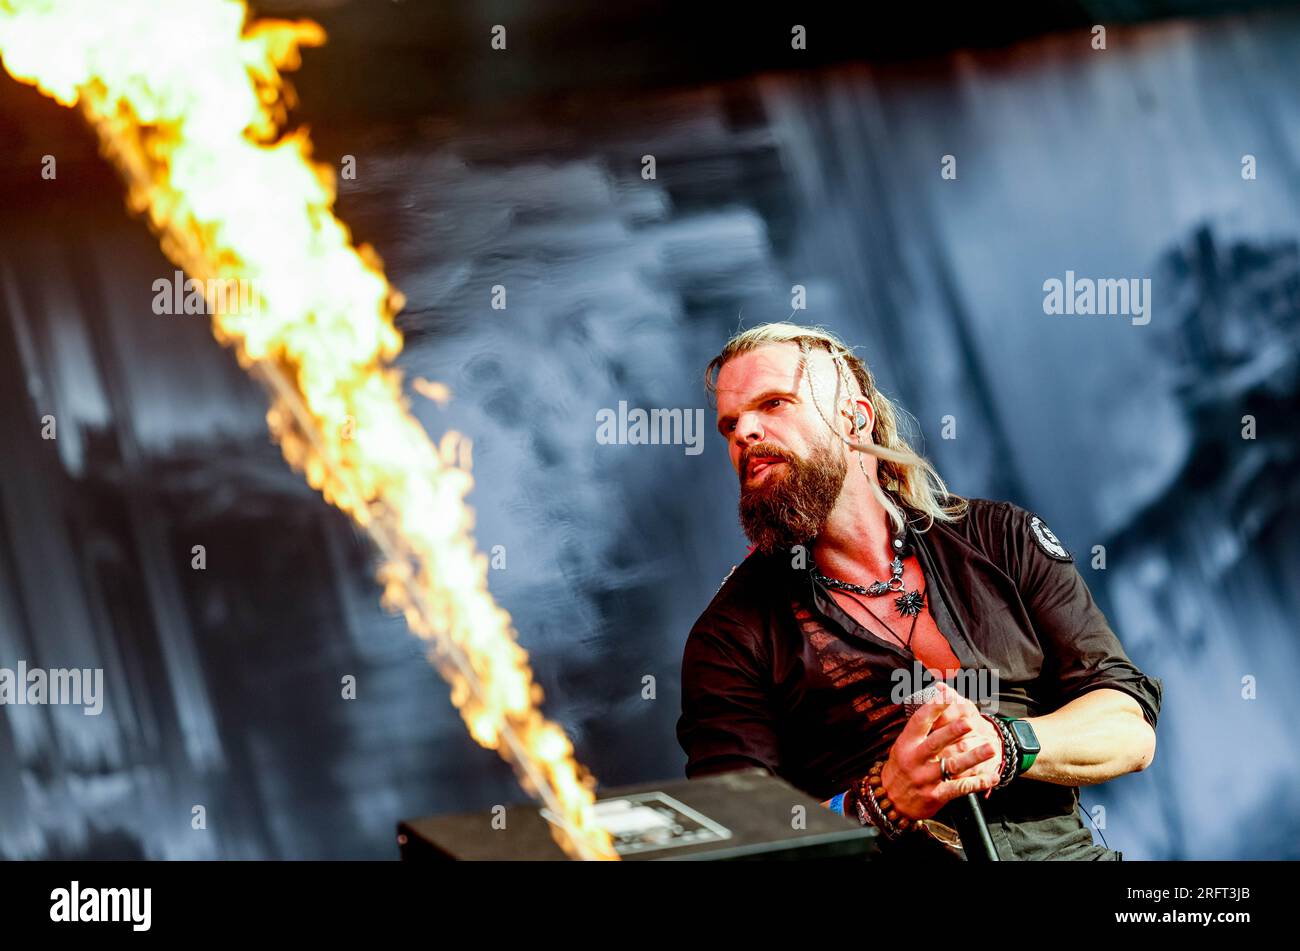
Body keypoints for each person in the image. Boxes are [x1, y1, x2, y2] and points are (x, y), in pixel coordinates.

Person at [675, 323, 1162, 860]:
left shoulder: (1001, 538)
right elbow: (735, 845)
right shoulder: (729, 637)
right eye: (729, 425)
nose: (744, 432)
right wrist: (882, 803)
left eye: (773, 404)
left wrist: (1005, 746)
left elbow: (1128, 729)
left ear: (853, 416)